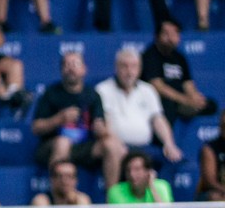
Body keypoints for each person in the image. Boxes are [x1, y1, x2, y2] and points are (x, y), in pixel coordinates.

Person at [32, 50, 127, 188]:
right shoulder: (51, 93)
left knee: (111, 144)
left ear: (84, 69)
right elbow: (36, 127)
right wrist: (59, 119)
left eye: (75, 64)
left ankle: (111, 198)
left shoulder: (93, 95)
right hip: (53, 145)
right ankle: (59, 199)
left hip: (84, 147)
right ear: (61, 70)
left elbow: (99, 124)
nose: (71, 68)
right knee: (63, 143)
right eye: (67, 64)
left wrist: (102, 130)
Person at [95, 47, 183, 165]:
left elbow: (158, 120)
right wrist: (116, 144)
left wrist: (169, 143)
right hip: (117, 147)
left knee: (173, 157)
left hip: (144, 148)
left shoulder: (148, 90)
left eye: (134, 66)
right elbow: (102, 124)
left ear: (140, 69)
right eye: (124, 66)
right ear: (116, 67)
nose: (129, 71)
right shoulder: (102, 90)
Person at [142, 19, 218, 125]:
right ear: (157, 36)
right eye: (166, 34)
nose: (171, 38)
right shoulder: (150, 56)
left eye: (174, 33)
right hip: (161, 99)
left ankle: (189, 110)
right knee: (167, 105)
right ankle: (162, 139)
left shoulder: (180, 57)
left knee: (211, 105)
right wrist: (184, 100)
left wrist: (195, 97)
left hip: (180, 100)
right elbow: (158, 86)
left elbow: (187, 83)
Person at [106, 150, 172, 204]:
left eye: (137, 169)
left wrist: (152, 187)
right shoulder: (115, 191)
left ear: (148, 171)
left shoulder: (161, 187)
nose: (132, 174)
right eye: (128, 170)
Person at [198, 109, 225, 200]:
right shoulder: (210, 149)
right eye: (223, 125)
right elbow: (210, 181)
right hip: (215, 191)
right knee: (215, 197)